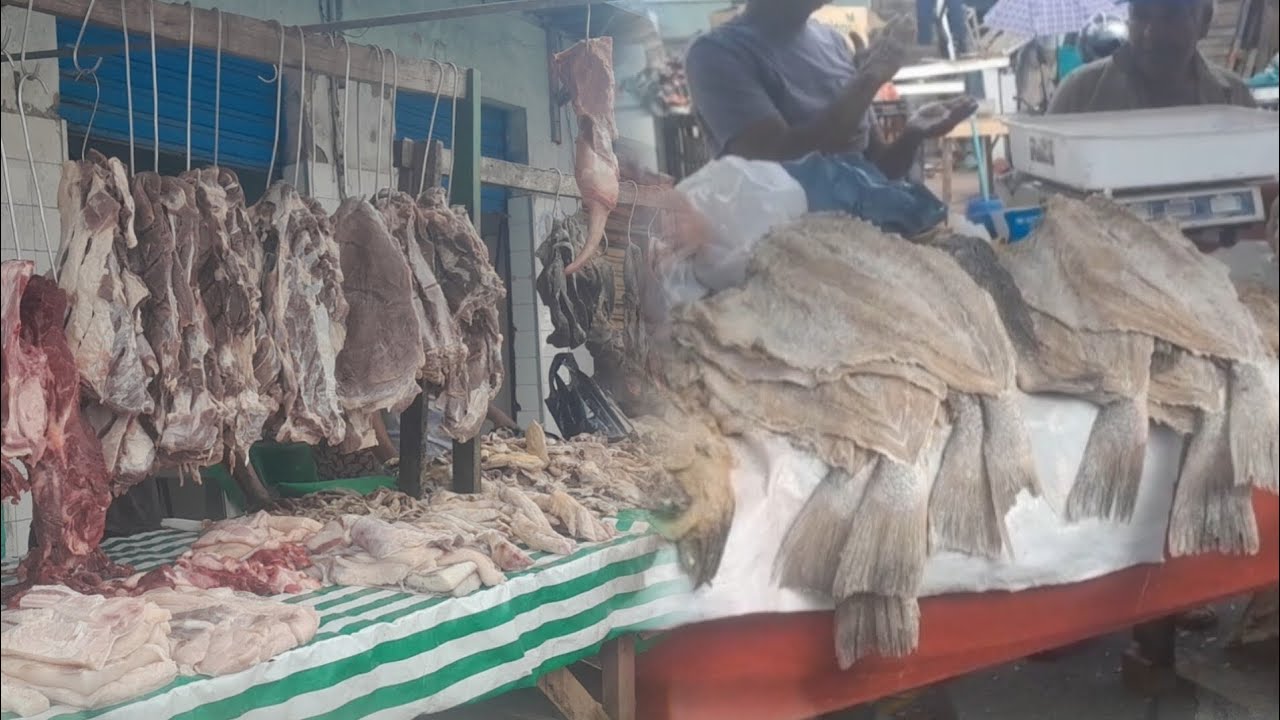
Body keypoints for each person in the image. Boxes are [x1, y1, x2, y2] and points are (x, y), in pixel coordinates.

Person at [685, 0, 978, 179]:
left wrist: (913, 134)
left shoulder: (833, 42)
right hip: (787, 248)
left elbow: (878, 169)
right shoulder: (717, 54)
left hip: (859, 238)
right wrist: (868, 80)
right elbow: (776, 159)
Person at [1048, 0, 1255, 113]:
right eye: (1140, 14)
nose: (1152, 33)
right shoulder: (1079, 96)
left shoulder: (1236, 100)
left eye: (1172, 15)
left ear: (1205, 21)